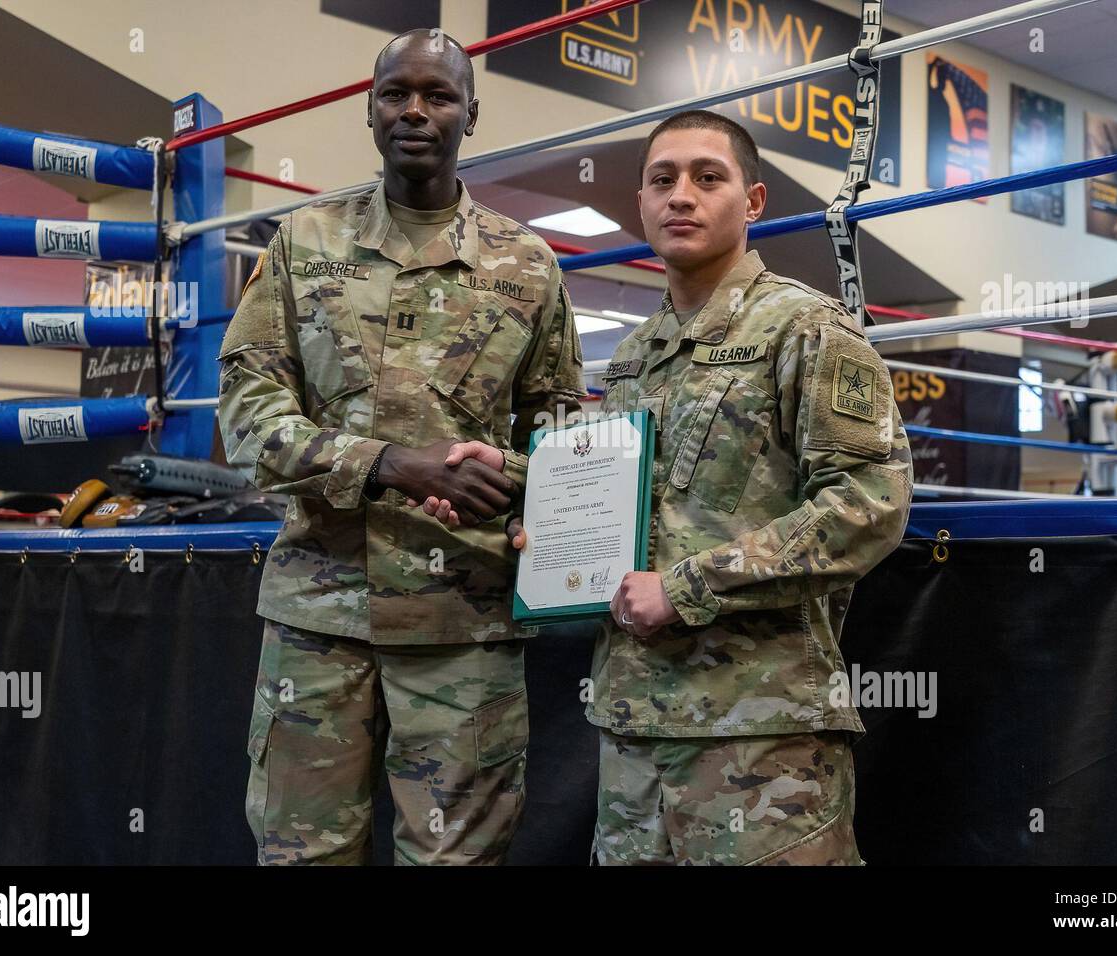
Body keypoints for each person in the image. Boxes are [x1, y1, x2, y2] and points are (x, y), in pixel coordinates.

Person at [441, 109, 912, 864]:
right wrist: (519, 486)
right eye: (662, 180)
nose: (681, 196)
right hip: (634, 732)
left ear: (753, 201)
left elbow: (869, 506)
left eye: (707, 177)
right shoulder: (635, 355)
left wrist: (688, 586)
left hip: (760, 742)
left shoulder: (806, 329)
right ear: (641, 204)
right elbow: (631, 492)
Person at [216, 28, 585, 865]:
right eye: (396, 94)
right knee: (303, 853)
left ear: (471, 114)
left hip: (464, 620)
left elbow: (561, 430)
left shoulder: (528, 265)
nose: (415, 111)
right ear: (370, 110)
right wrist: (385, 464)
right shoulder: (303, 244)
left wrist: (516, 478)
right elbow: (246, 417)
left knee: (456, 859)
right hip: (319, 618)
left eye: (439, 95)